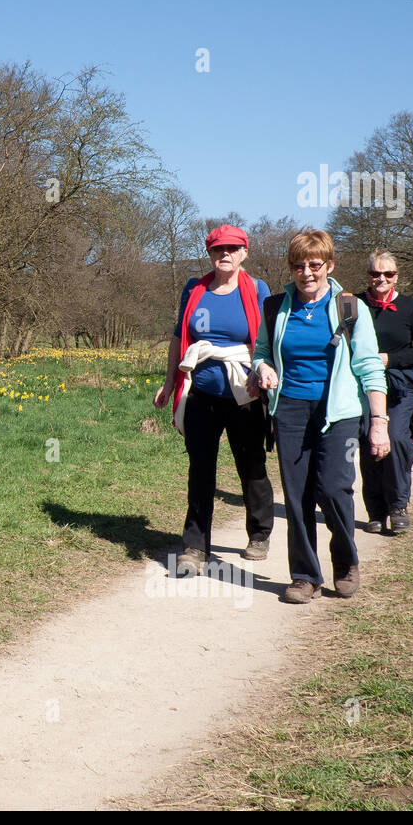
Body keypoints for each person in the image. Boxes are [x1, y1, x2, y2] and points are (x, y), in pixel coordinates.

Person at [252, 229, 389, 603]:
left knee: (332, 489)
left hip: (340, 412)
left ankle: (345, 562)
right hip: (291, 410)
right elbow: (261, 350)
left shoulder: (350, 307)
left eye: (315, 265)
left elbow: (370, 367)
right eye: (298, 265)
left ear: (329, 265)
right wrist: (261, 367)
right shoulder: (276, 307)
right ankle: (304, 576)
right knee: (296, 496)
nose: (307, 273)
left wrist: (379, 422)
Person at [154, 224, 273, 574]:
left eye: (233, 249)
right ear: (209, 252)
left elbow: (267, 339)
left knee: (251, 465)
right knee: (200, 469)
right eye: (219, 249)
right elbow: (180, 338)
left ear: (244, 253)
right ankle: (194, 546)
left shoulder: (258, 289)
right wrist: (169, 381)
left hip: (246, 393)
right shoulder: (194, 289)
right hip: (202, 392)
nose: (226, 254)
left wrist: (265, 376)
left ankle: (260, 532)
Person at [357, 249, 413, 534]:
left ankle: (398, 506)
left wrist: (390, 359)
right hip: (364, 384)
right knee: (368, 442)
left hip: (401, 385)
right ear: (369, 275)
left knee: (397, 440)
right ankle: (375, 510)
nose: (381, 278)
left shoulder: (410, 306)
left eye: (388, 274)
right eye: (376, 273)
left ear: (396, 277)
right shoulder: (353, 304)